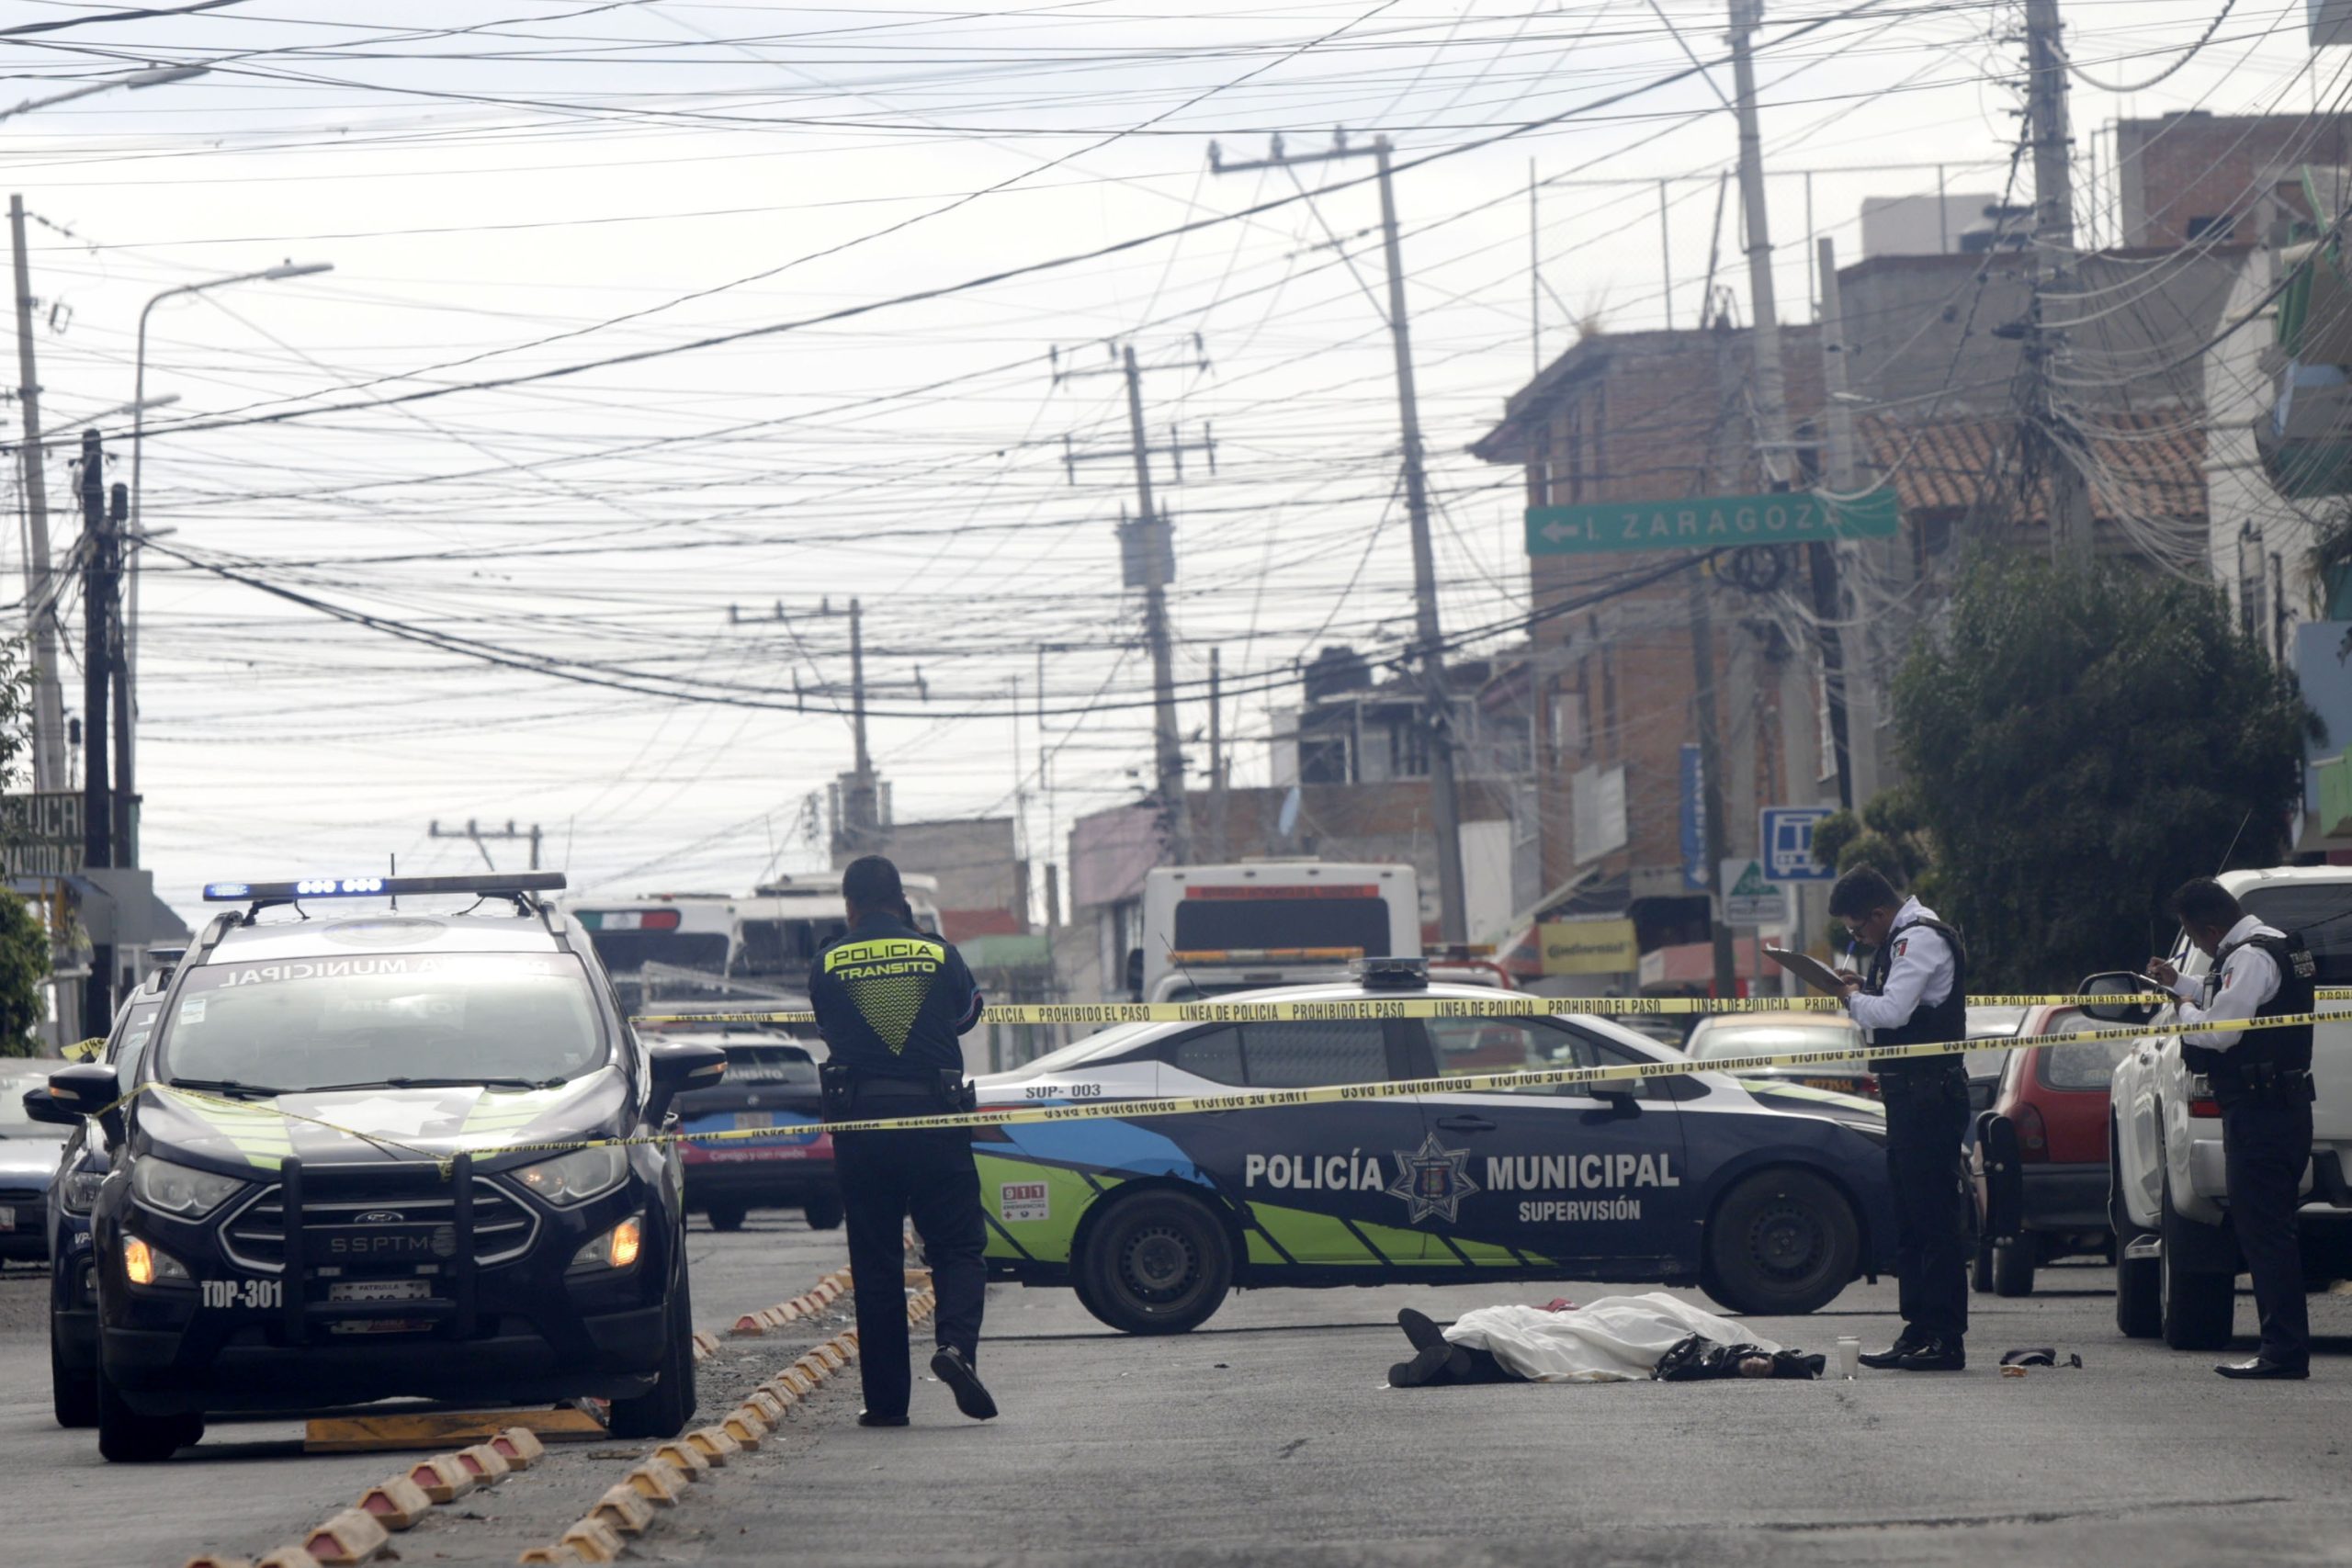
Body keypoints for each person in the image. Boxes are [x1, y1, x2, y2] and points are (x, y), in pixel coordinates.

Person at [808, 854, 997, 1425]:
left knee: (876, 1264)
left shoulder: (828, 961)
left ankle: (888, 1405)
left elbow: (828, 1027)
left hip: (862, 1128)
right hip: (935, 1120)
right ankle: (955, 1348)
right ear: (901, 900)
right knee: (958, 1247)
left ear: (851, 906)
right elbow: (966, 1017)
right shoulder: (939, 952)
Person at [2144, 877, 2316, 1381]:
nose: (2200, 946)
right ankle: (2283, 1348)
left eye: (2195, 937)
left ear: (2212, 927)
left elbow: (2222, 1030)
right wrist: (2182, 984)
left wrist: (2183, 1010)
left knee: (2266, 1235)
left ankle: (2283, 1352)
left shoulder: (2249, 956)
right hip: (2278, 1110)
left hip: (2261, 1115)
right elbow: (2233, 999)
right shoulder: (2271, 947)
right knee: (2270, 1231)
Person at [1828, 865, 1969, 1372]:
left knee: (1934, 1221)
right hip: (1910, 1095)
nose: (1857, 937)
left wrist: (1850, 998)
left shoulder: (1920, 939)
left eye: (1856, 928)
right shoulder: (1900, 943)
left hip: (1929, 1097)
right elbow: (1892, 1001)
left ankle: (1945, 1337)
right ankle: (1919, 1329)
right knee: (1910, 1220)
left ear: (1880, 913)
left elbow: (1893, 1012)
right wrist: (1861, 988)